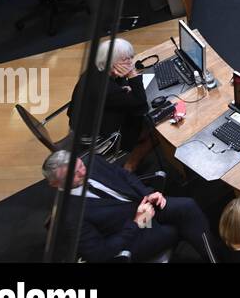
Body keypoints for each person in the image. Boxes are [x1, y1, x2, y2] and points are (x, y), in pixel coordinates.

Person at [41, 150, 212, 263]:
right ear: (55, 184)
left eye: (80, 166)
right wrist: (137, 223)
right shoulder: (69, 216)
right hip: (130, 235)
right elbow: (100, 254)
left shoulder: (91, 161)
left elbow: (124, 175)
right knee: (177, 227)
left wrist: (147, 193)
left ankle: (214, 257)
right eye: (74, 174)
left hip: (143, 208)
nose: (83, 172)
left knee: (187, 206)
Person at [67, 37, 152, 170]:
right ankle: (130, 166)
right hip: (98, 141)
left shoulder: (94, 71)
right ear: (111, 63)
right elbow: (141, 106)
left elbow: (119, 88)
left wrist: (123, 84)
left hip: (81, 128)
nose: (131, 62)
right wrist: (132, 75)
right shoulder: (108, 90)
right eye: (125, 60)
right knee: (152, 131)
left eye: (131, 57)